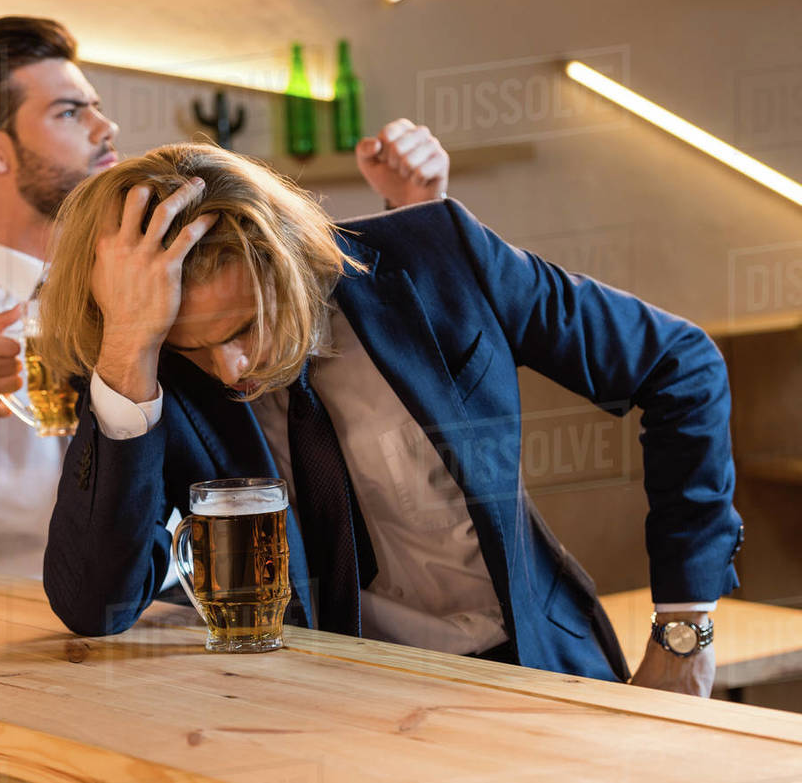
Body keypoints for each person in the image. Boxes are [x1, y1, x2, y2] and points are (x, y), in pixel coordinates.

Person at [36, 143, 745, 696]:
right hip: (328, 713)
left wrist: (685, 624)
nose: (232, 367)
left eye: (249, 324)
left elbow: (679, 363)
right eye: (195, 346)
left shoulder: (441, 257)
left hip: (539, 671)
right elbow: (98, 605)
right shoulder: (146, 362)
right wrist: (133, 344)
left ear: (290, 261)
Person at [0, 15, 451, 571]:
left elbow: (316, 356)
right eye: (70, 111)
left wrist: (409, 218)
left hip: (229, 610)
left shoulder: (187, 265)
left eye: (97, 107)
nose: (106, 128)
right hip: (11, 644)